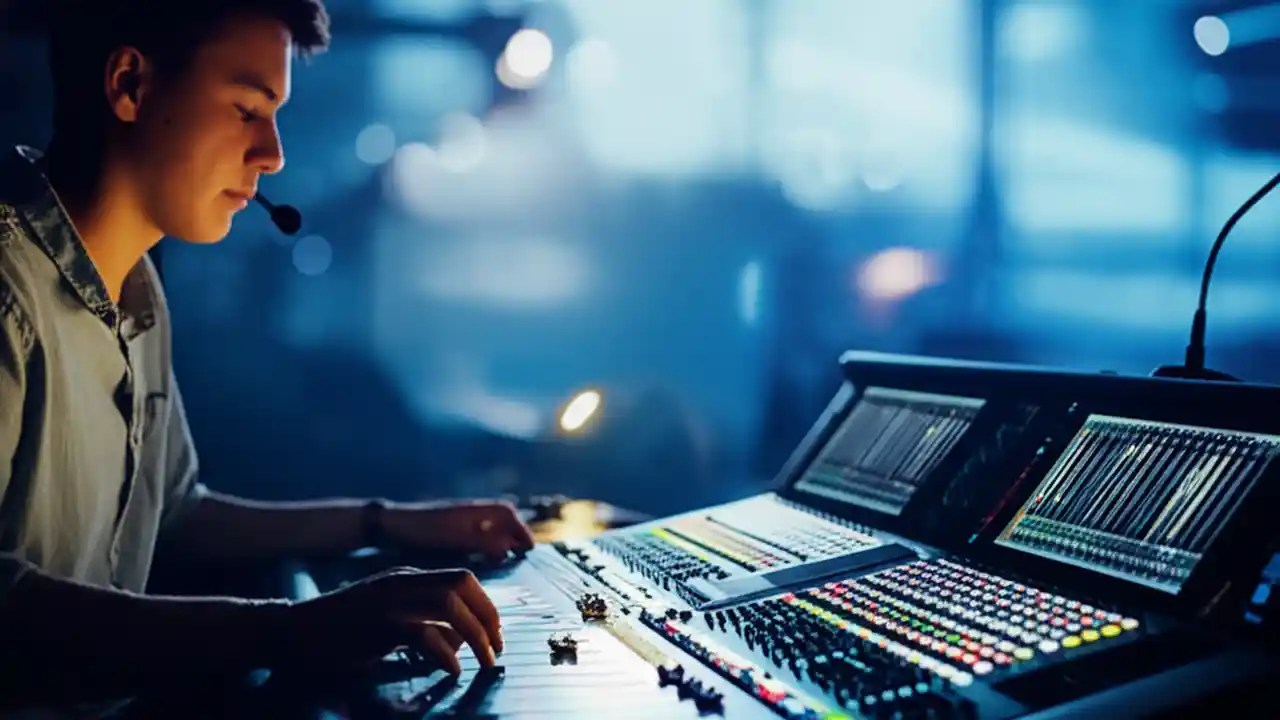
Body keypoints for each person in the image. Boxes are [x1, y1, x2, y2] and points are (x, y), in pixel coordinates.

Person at [0, 0, 536, 705]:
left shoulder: (137, 289)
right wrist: (291, 631)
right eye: (247, 108)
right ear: (130, 85)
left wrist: (388, 522)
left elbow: (177, 510)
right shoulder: (10, 293)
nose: (273, 154)